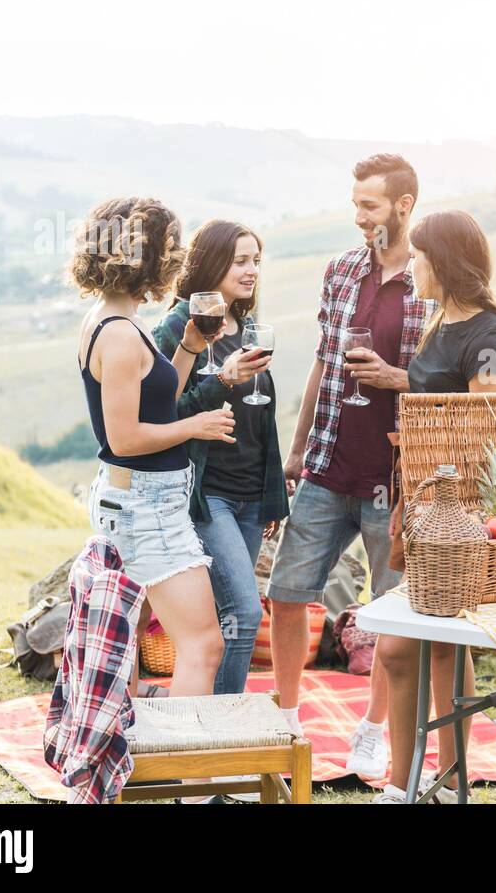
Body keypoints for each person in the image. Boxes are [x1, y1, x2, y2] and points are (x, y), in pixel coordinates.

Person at [267, 154, 433, 779]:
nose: (359, 216)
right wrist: (296, 448)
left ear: (404, 204)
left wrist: (396, 379)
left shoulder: (429, 279)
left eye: (370, 205)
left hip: (393, 479)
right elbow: (320, 364)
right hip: (327, 465)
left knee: (392, 615)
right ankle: (284, 722)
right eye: (355, 204)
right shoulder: (340, 271)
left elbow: (445, 380)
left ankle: (373, 730)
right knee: (287, 593)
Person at [71, 197, 235, 803]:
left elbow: (153, 394)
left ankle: (154, 776)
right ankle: (185, 789)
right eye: (171, 247)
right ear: (144, 254)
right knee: (203, 643)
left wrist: (188, 350)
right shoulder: (116, 334)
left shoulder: (117, 320)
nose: (176, 257)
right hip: (143, 507)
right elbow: (125, 438)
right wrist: (196, 428)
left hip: (146, 504)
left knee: (151, 644)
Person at [374, 209, 496, 804]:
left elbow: (488, 425)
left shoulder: (492, 336)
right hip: (420, 500)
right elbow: (434, 400)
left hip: (459, 513)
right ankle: (413, 785)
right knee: (414, 644)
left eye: (417, 257)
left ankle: (436, 782)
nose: (409, 267)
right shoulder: (441, 323)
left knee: (422, 643)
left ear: (445, 261)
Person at [152, 219, 285, 696]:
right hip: (208, 496)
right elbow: (164, 414)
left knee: (230, 615)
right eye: (240, 261)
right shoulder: (176, 327)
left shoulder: (246, 327)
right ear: (212, 263)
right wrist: (221, 381)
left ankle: (206, 721)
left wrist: (272, 499)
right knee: (246, 613)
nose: (251, 271)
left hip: (250, 495)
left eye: (256, 262)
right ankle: (221, 728)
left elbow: (261, 416)